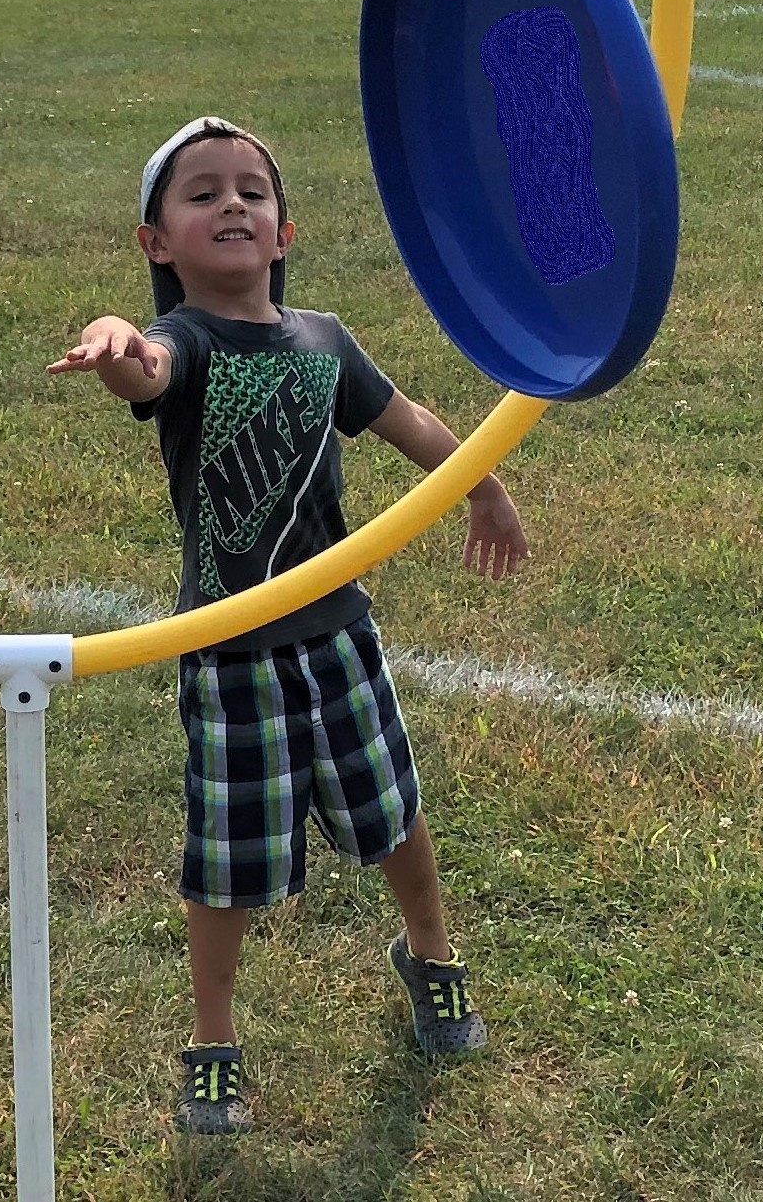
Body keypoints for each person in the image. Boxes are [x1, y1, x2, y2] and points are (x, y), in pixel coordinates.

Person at [47, 117, 530, 1135]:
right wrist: (116, 339)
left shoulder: (324, 339)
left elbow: (407, 420)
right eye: (200, 192)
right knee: (228, 859)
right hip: (231, 654)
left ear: (282, 230)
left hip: (339, 634)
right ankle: (213, 1039)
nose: (230, 203)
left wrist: (482, 486)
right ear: (157, 243)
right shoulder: (189, 342)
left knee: (391, 811)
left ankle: (430, 952)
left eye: (250, 192)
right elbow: (147, 369)